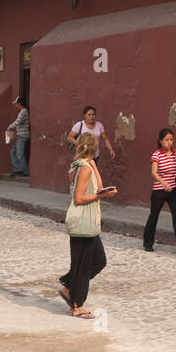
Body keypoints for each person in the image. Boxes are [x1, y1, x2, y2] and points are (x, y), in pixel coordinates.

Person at [58, 133, 114, 320]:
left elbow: (99, 185)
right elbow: (80, 198)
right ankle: (77, 305)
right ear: (92, 147)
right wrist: (101, 196)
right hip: (83, 220)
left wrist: (93, 162)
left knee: (99, 260)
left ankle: (68, 287)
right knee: (82, 265)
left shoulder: (85, 165)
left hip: (88, 222)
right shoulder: (83, 169)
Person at [142, 127, 176, 254]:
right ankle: (148, 243)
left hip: (174, 190)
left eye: (171, 139)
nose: (169, 142)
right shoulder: (156, 154)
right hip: (159, 190)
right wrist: (164, 184)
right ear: (160, 141)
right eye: (166, 140)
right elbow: (153, 173)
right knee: (154, 216)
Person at [6, 96, 30, 178]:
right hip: (20, 135)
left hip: (22, 136)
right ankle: (18, 169)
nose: (15, 105)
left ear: (19, 104)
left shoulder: (23, 112)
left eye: (16, 104)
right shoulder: (22, 112)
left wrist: (10, 127)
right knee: (13, 151)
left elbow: (18, 122)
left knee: (19, 154)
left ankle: (25, 171)